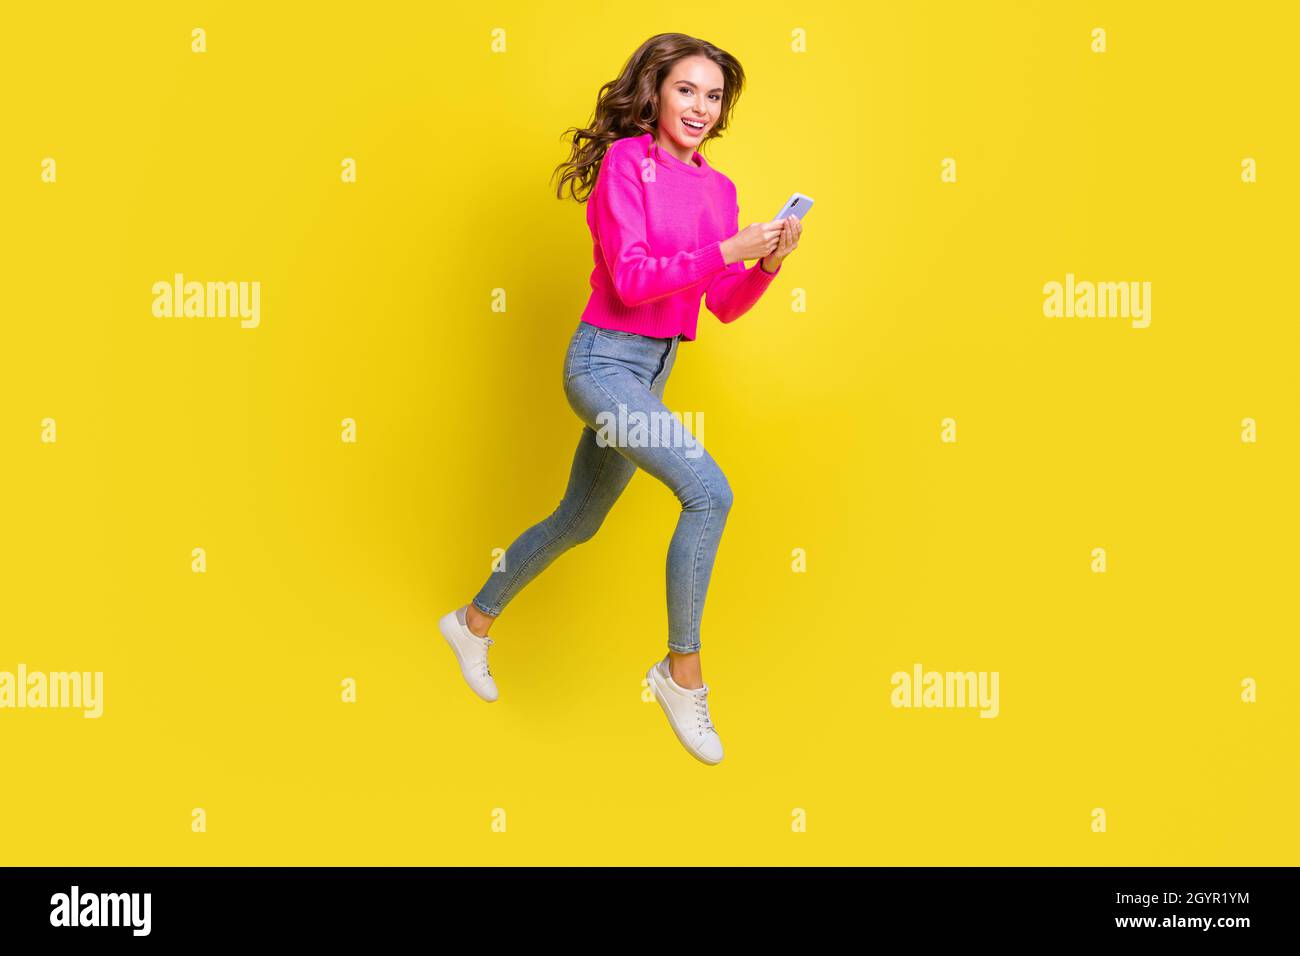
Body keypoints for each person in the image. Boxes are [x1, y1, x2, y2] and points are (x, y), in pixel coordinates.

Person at [439, 32, 802, 765]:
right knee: (709, 493)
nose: (700, 106)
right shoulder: (625, 165)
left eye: (713, 94)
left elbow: (721, 304)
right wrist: (730, 250)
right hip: (603, 364)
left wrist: (764, 263)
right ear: (656, 92)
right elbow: (634, 280)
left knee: (578, 520)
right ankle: (681, 673)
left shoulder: (719, 189)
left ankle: (471, 621)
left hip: (652, 374)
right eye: (686, 90)